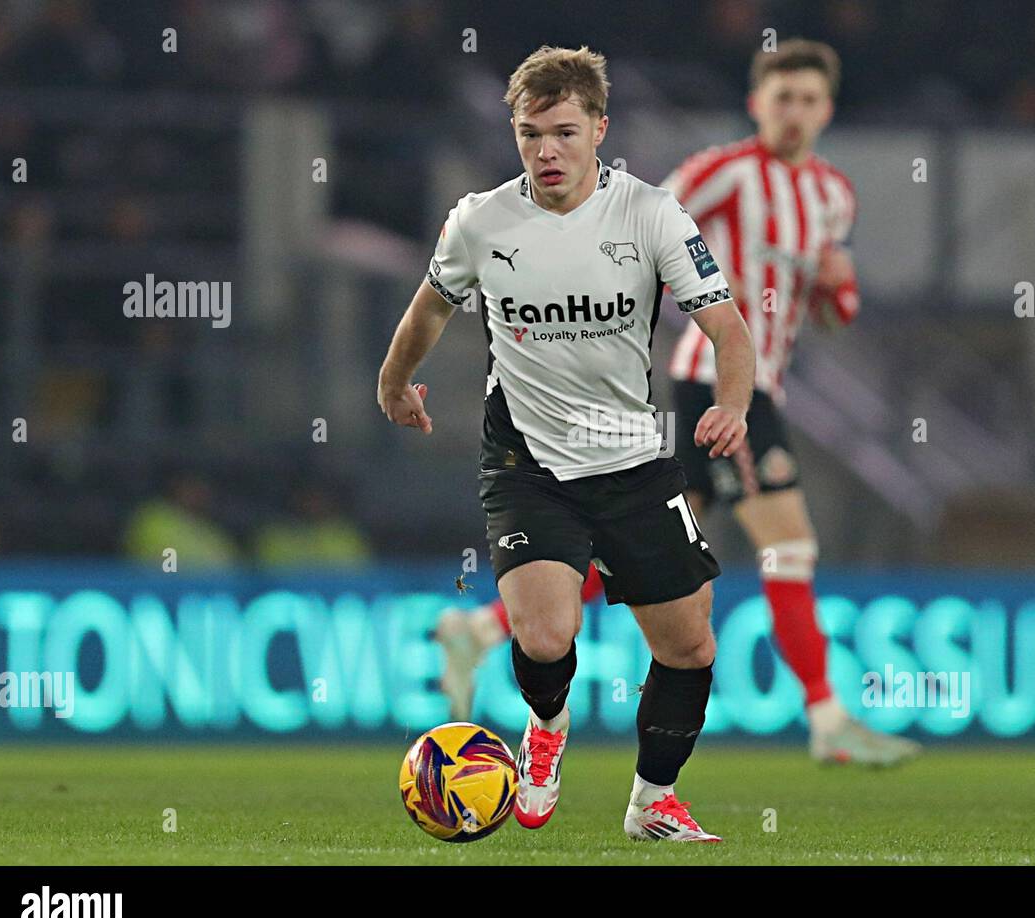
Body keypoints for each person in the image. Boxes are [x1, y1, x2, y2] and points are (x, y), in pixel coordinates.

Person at [437, 38, 920, 768]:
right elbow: (628, 229)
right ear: (757, 104)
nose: (794, 113)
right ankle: (827, 716)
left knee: (653, 547)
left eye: (808, 100)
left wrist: (836, 287)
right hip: (716, 382)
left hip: (764, 380)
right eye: (782, 98)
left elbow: (833, 311)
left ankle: (480, 627)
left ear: (827, 110)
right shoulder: (722, 172)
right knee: (790, 543)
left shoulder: (832, 196)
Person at [377, 46, 754, 842]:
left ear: (600, 130)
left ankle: (653, 800)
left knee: (690, 646)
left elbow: (728, 328)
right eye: (530, 134)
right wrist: (393, 381)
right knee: (545, 635)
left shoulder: (652, 215)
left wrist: (732, 405)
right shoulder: (480, 220)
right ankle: (546, 726)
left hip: (632, 460)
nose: (546, 151)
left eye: (564, 133)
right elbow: (429, 308)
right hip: (528, 463)